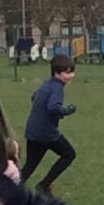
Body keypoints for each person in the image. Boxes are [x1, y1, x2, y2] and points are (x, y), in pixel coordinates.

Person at [21, 53, 80, 195]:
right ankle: (44, 185)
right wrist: (65, 111)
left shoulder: (46, 84)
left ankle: (7, 191)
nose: (71, 75)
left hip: (33, 131)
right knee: (69, 154)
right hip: (46, 133)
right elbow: (53, 106)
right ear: (57, 73)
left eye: (72, 71)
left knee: (29, 166)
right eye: (67, 72)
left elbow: (34, 96)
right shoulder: (57, 87)